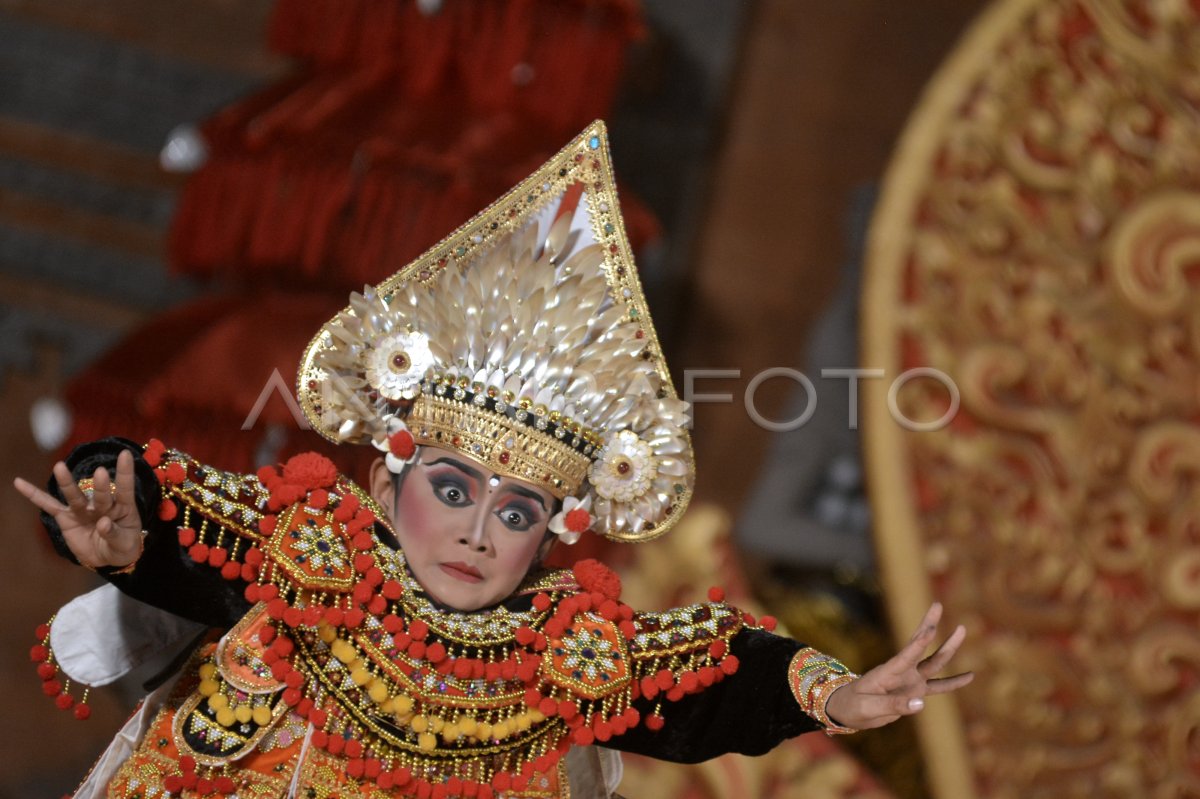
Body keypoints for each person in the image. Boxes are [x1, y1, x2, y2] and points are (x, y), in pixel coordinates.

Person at [16, 122, 971, 799]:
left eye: (517, 513)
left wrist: (834, 694)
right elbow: (178, 509)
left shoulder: (565, 655)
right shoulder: (312, 558)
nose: (478, 529)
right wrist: (119, 516)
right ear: (387, 480)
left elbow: (716, 671)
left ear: (551, 536)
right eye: (453, 488)